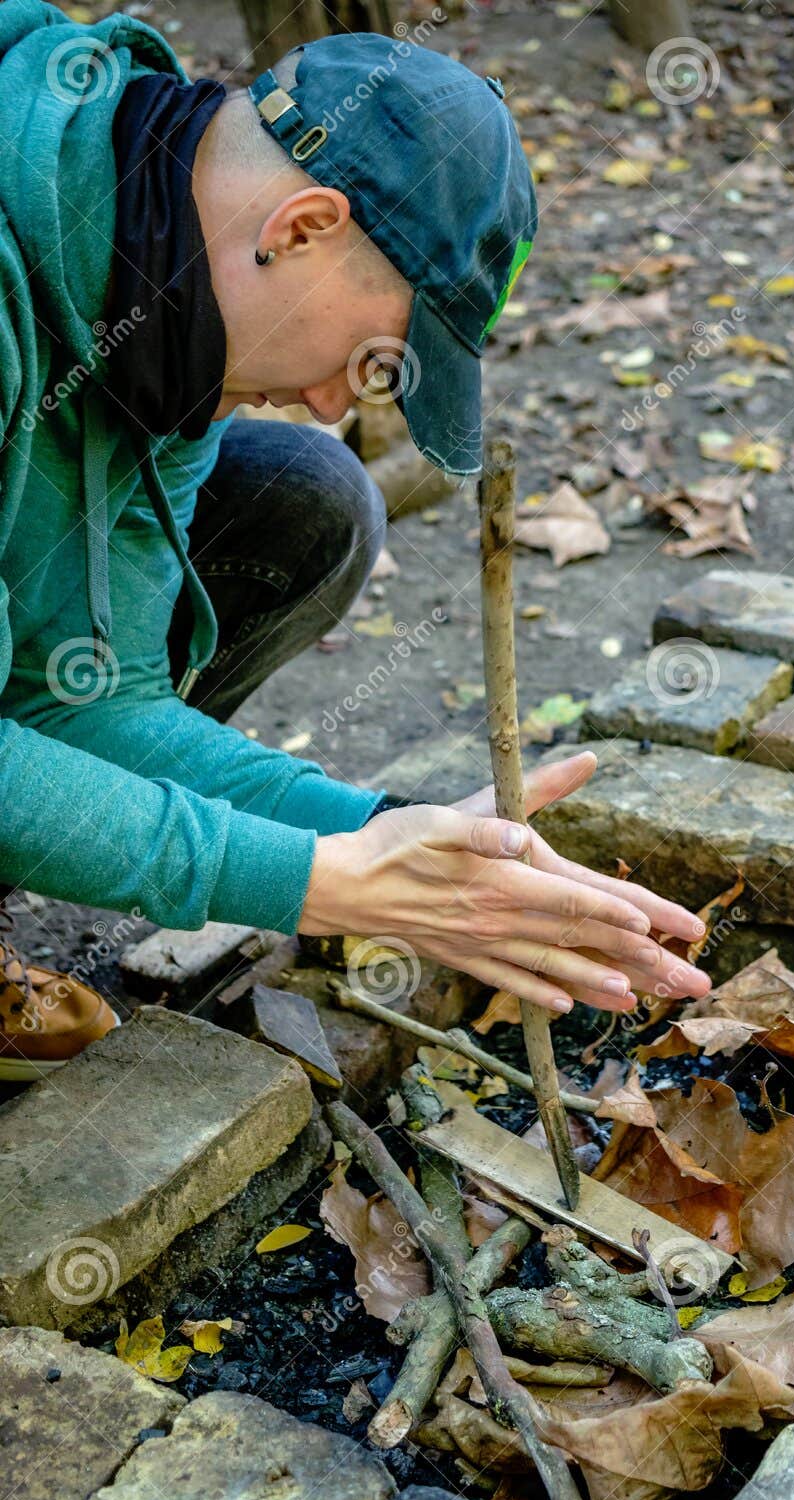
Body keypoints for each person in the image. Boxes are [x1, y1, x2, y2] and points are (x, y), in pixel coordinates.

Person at [0, 3, 709, 1078]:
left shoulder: (164, 297)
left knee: (307, 493)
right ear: (300, 227)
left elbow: (85, 698)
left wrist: (392, 838)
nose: (337, 400)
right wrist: (314, 883)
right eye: (375, 355)